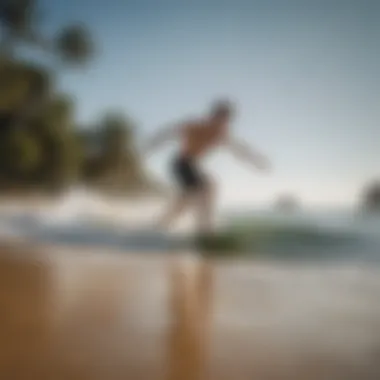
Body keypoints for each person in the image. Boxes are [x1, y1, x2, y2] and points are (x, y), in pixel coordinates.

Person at [144, 100, 271, 234]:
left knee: (191, 195)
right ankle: (204, 230)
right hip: (181, 163)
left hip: (192, 165)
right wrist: (151, 144)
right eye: (219, 118)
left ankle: (162, 225)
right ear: (213, 116)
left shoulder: (221, 134)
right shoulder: (197, 126)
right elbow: (168, 132)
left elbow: (239, 149)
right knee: (205, 188)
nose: (221, 123)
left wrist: (257, 160)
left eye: (225, 120)